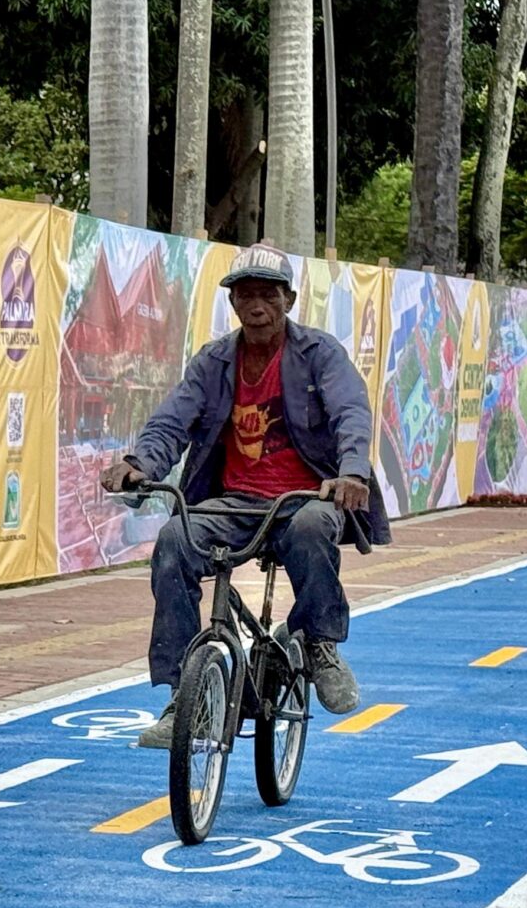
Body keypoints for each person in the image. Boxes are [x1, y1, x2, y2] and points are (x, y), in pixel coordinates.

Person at [100, 242, 391, 749]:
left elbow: (351, 413)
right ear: (233, 304)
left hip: (307, 497)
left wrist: (351, 473)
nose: (257, 306)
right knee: (174, 539)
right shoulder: (213, 361)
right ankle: (180, 692)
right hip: (233, 504)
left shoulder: (319, 354)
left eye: (268, 295)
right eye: (245, 296)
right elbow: (173, 420)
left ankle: (319, 642)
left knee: (309, 529)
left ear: (289, 300)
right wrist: (139, 463)